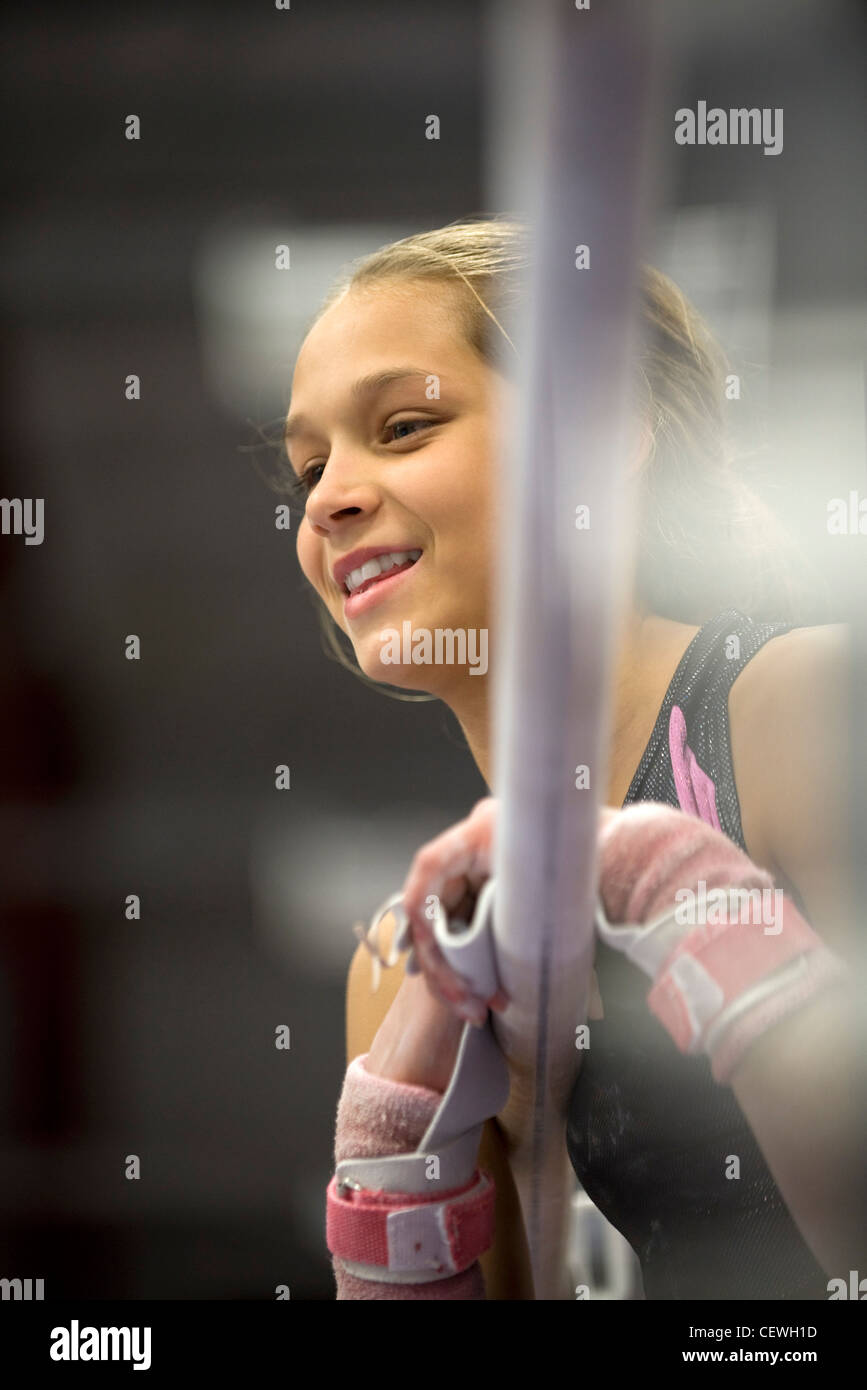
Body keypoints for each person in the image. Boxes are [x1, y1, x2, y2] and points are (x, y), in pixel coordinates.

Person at [280, 218, 860, 1298]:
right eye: (309, 467)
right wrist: (391, 1157)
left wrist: (694, 905)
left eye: (403, 427)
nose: (326, 499)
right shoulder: (409, 961)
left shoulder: (808, 712)